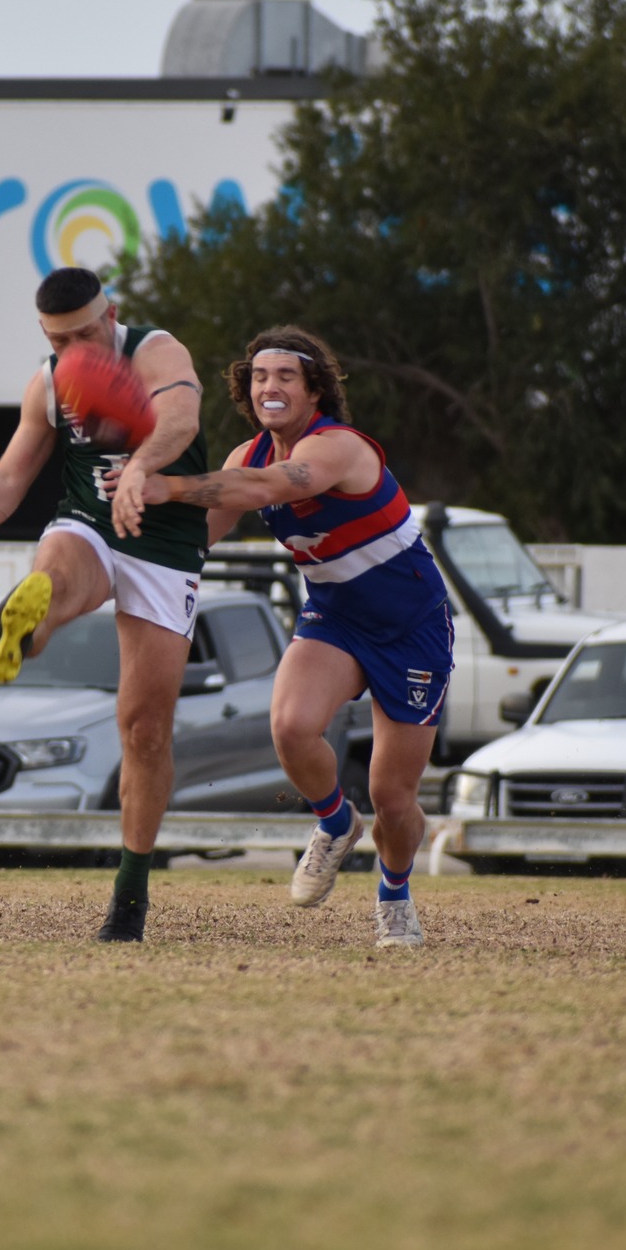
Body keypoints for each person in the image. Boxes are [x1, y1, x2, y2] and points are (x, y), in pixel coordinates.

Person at [0, 269, 208, 942]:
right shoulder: (50, 382)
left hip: (164, 541)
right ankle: (31, 619)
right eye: (62, 340)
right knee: (57, 569)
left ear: (111, 313)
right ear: (44, 334)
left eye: (88, 333)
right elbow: (7, 478)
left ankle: (129, 895)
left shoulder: (155, 351)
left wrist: (140, 470)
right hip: (87, 521)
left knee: (143, 727)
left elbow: (181, 417)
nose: (77, 349)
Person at [137, 327, 453, 949]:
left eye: (285, 376)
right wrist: (124, 543)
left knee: (394, 796)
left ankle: (394, 897)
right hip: (335, 617)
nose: (269, 387)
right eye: (259, 376)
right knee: (289, 726)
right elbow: (200, 535)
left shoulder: (338, 448)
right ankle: (336, 822)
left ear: (315, 391)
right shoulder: (244, 457)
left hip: (412, 627)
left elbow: (273, 488)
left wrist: (166, 484)